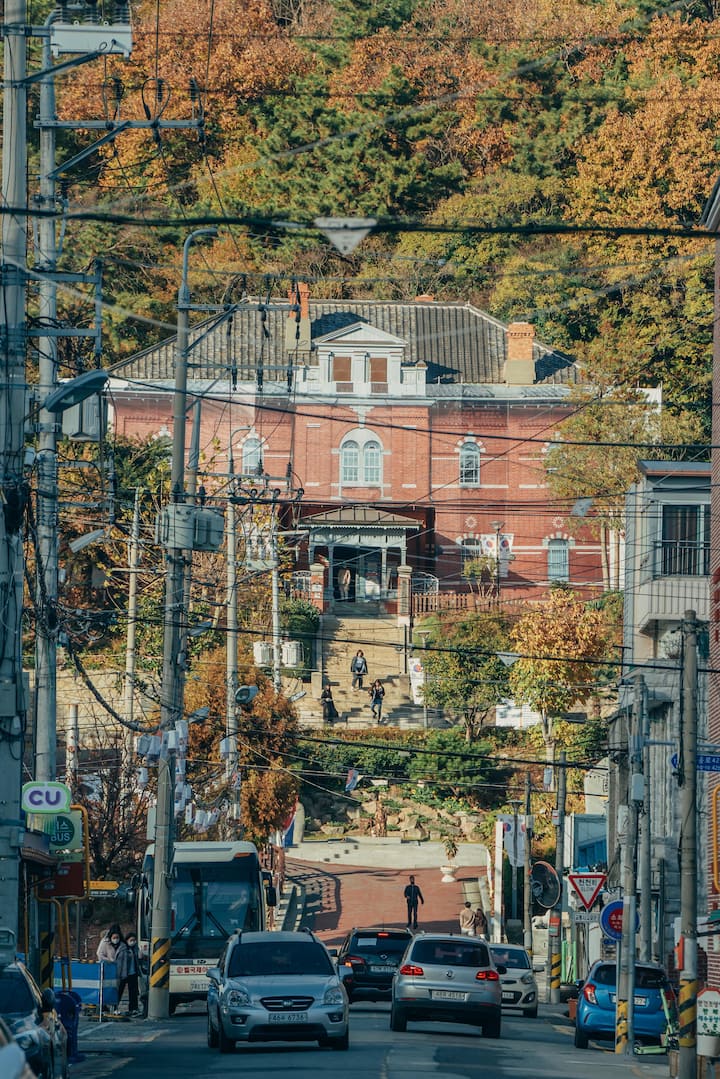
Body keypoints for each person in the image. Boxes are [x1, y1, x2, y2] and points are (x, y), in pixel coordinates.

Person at [116, 931, 141, 1016]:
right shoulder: (123, 948)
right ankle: (115, 1007)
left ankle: (133, 1008)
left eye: (134, 940)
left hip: (133, 973)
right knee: (119, 990)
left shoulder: (135, 949)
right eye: (131, 940)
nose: (133, 942)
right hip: (123, 973)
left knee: (133, 992)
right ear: (127, 940)